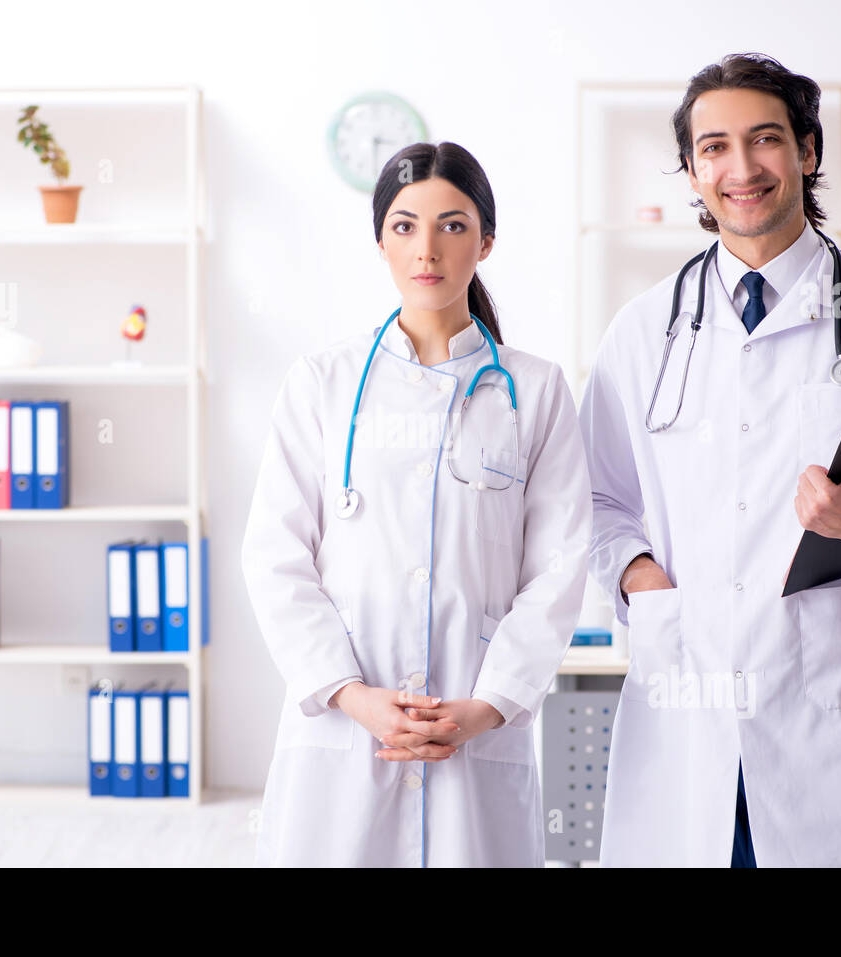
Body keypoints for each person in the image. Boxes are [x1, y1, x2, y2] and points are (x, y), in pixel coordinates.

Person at [579, 53, 841, 867]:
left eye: (765, 139)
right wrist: (641, 579)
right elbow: (594, 504)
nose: (741, 168)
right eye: (713, 148)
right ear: (693, 170)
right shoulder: (643, 332)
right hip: (691, 706)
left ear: (807, 151)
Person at [241, 141, 591, 867]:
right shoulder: (322, 384)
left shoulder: (536, 390)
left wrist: (486, 705)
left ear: (486, 240)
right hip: (345, 731)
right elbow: (275, 556)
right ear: (380, 241)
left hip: (476, 729)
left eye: (453, 225)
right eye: (404, 226)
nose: (426, 248)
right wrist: (353, 695)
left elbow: (559, 569)